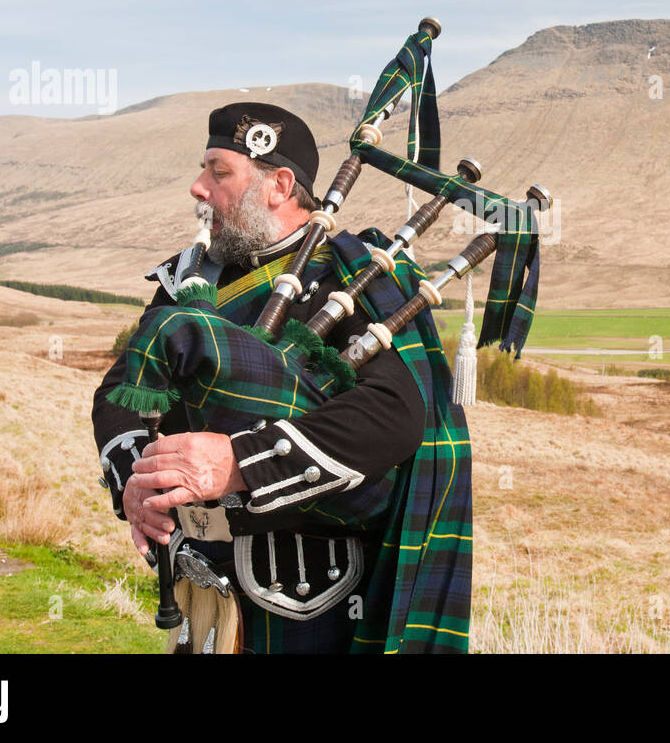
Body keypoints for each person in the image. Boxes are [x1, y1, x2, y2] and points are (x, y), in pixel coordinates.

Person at [91, 102, 470, 653]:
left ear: (279, 185)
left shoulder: (349, 277)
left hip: (305, 595)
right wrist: (136, 484)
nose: (199, 188)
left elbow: (393, 415)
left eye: (219, 172)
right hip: (198, 587)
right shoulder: (191, 280)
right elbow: (122, 390)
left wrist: (239, 462)